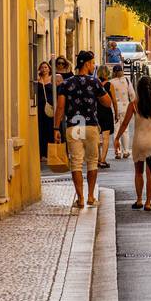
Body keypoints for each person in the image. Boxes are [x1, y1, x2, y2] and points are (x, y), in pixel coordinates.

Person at [53, 50, 113, 209]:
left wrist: (56, 128)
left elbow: (60, 107)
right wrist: (97, 96)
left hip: (74, 126)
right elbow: (107, 102)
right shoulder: (94, 82)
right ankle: (91, 196)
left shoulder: (67, 83)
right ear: (86, 64)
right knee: (92, 161)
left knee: (76, 163)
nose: (93, 66)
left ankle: (80, 198)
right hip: (90, 126)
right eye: (92, 63)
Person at [115, 74, 151, 211]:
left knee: (138, 172)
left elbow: (125, 123)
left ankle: (139, 200)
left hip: (138, 142)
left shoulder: (133, 105)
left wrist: (116, 138)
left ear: (138, 89)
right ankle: (148, 203)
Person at [109, 63, 135, 158]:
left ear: (114, 72)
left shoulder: (110, 82)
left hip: (114, 108)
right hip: (125, 108)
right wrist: (133, 106)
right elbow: (132, 94)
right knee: (125, 130)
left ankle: (118, 151)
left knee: (116, 130)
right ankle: (126, 151)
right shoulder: (127, 81)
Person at [36, 62, 55, 163]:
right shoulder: (37, 80)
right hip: (40, 108)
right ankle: (41, 153)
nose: (44, 69)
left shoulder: (53, 79)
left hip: (50, 108)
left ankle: (49, 153)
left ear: (49, 69)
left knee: (49, 130)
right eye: (42, 67)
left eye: (46, 67)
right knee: (41, 130)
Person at [97, 64, 115, 168]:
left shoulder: (95, 84)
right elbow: (114, 101)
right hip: (107, 112)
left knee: (97, 138)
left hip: (97, 112)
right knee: (105, 138)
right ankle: (103, 160)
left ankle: (98, 159)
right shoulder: (109, 85)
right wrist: (116, 113)